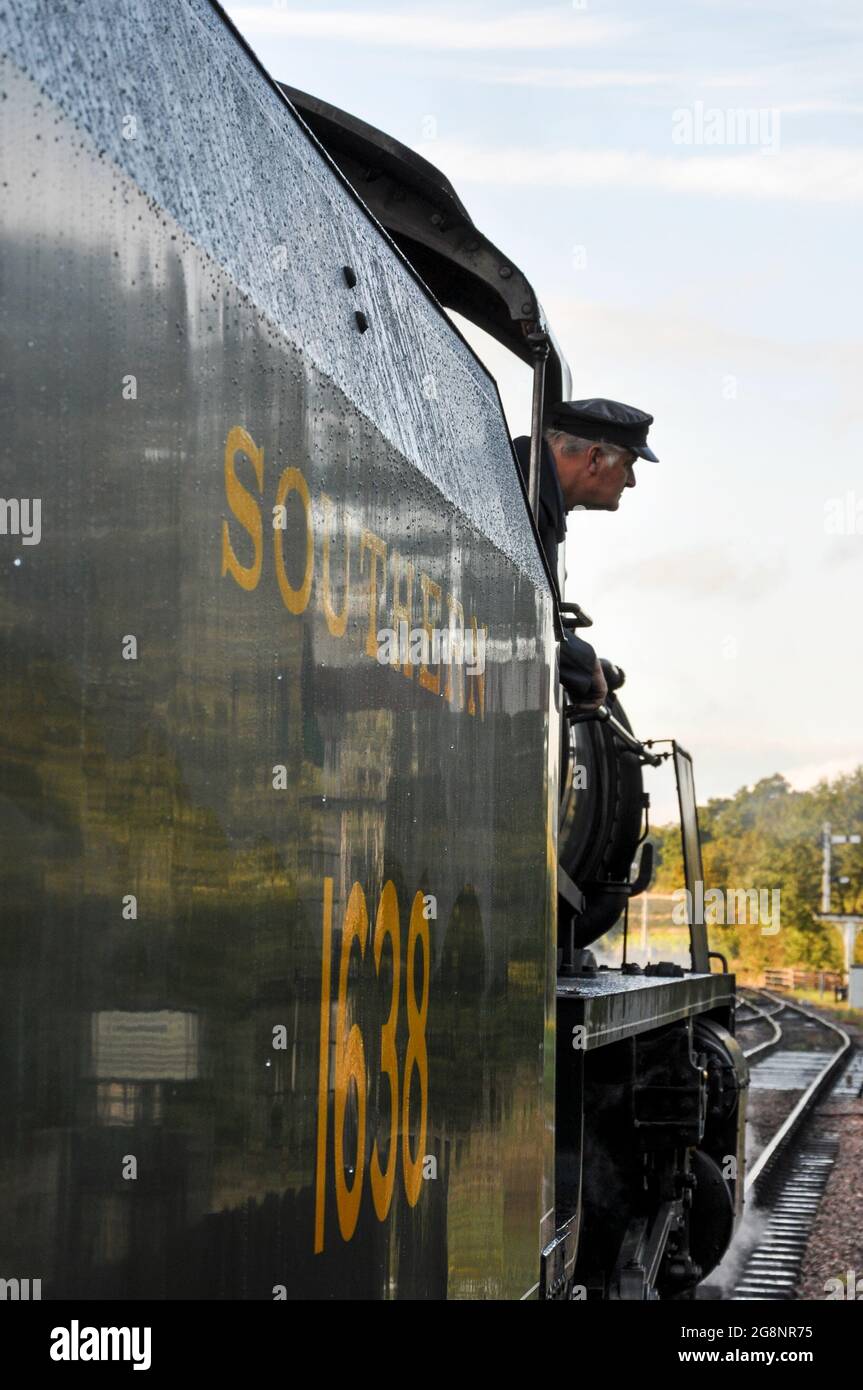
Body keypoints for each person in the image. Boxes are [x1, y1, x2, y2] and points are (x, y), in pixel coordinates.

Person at [513, 398, 659, 711]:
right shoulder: (521, 498)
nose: (631, 482)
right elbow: (514, 613)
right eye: (628, 465)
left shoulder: (530, 490)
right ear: (594, 459)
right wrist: (582, 659)